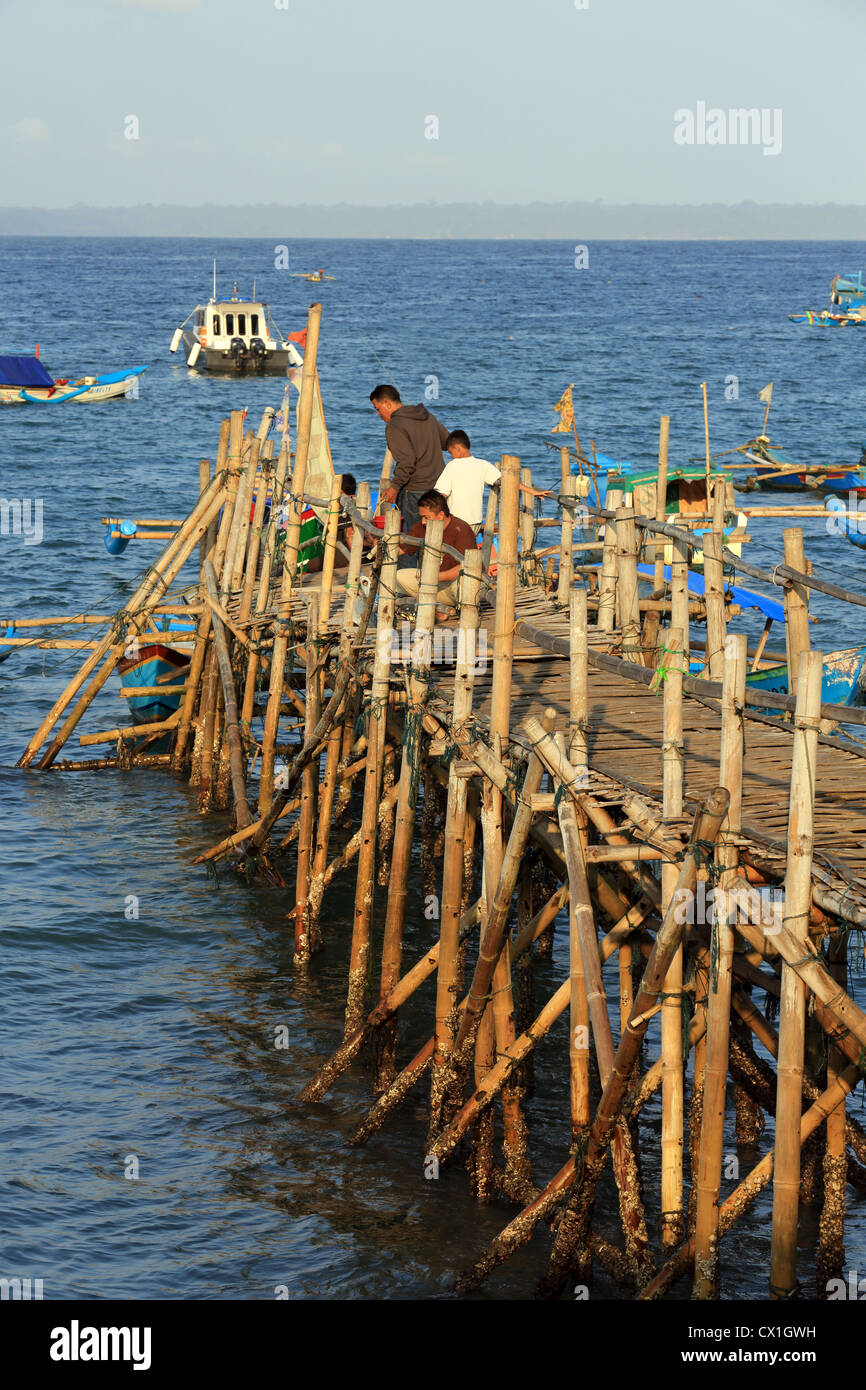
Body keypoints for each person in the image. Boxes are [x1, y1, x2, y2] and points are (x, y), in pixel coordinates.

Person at [370, 384, 449, 533]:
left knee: (411, 539)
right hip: (438, 488)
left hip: (414, 492)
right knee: (434, 537)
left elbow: (406, 462)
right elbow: (447, 442)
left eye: (378, 409)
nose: (379, 414)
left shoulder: (395, 425)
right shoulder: (427, 417)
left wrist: (394, 487)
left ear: (387, 403)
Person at [435, 429, 552, 530]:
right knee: (467, 549)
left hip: (455, 519)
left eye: (451, 452)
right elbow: (508, 480)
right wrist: (533, 492)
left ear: (457, 448)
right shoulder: (483, 465)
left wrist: (434, 514)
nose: (452, 456)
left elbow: (442, 494)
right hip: (475, 519)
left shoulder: (452, 465)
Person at [395, 490, 478, 620]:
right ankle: (436, 608)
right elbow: (401, 549)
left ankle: (435, 607)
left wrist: (434, 577)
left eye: (426, 517)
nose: (422, 522)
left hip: (452, 584)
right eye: (421, 517)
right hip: (431, 584)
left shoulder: (461, 529)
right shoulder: (421, 527)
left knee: (464, 585)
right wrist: (381, 552)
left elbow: (465, 567)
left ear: (440, 515)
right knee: (397, 576)